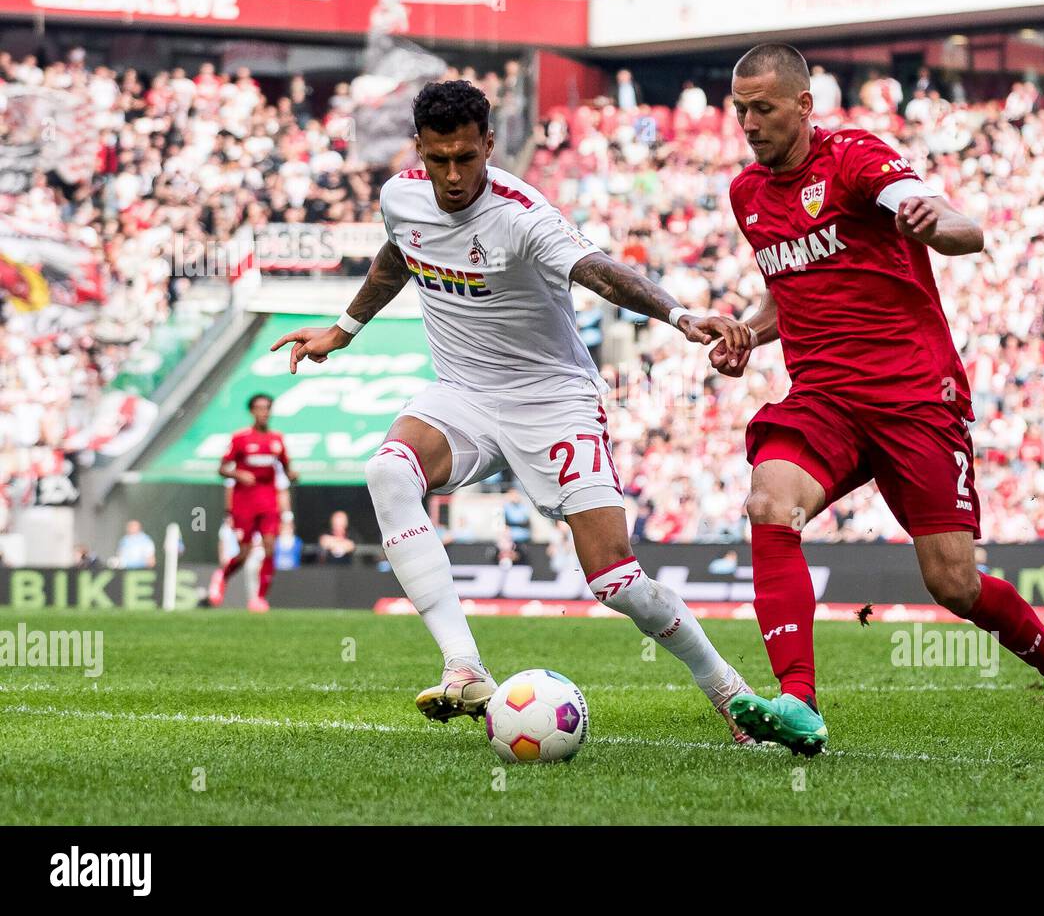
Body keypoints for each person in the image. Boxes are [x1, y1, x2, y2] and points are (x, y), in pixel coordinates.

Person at [271, 80, 758, 744]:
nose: (451, 175)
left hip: (551, 397)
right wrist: (343, 329)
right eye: (437, 159)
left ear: (489, 147)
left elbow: (599, 269)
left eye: (465, 158)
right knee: (388, 470)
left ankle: (728, 689)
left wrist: (679, 314)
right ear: (418, 149)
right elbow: (398, 255)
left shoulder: (522, 213)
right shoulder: (401, 198)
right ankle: (464, 665)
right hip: (463, 394)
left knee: (615, 578)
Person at [715, 44, 1044, 758]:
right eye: (740, 109)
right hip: (825, 397)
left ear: (804, 105)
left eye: (763, 108)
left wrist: (934, 223)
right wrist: (747, 329)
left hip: (915, 394)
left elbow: (962, 228)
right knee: (770, 499)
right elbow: (792, 287)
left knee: (952, 582)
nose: (749, 123)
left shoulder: (857, 159)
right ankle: (798, 700)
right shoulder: (747, 195)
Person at [206, 393, 298, 613]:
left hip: (268, 500)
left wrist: (293, 474)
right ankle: (223, 575)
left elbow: (286, 468)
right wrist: (238, 475)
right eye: (259, 408)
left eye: (267, 408)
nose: (264, 412)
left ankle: (259, 599)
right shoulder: (241, 438)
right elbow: (221, 468)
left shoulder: (277, 440)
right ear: (252, 411)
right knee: (245, 552)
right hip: (244, 500)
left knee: (269, 547)